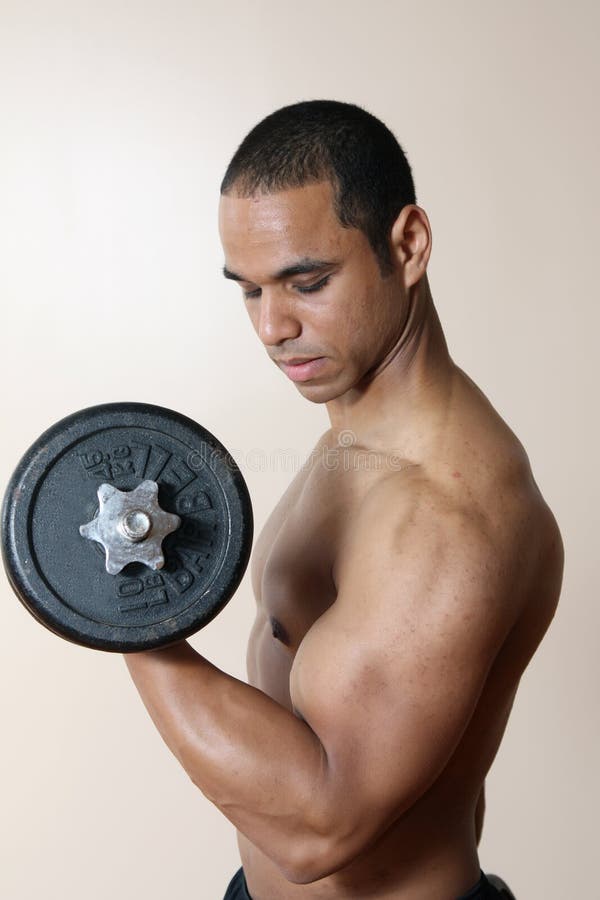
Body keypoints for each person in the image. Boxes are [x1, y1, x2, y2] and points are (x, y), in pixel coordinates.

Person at [124, 100, 564, 899]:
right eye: (249, 290)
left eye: (308, 282)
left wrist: (122, 610)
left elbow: (320, 827)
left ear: (409, 244)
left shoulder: (447, 514)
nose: (272, 325)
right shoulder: (356, 432)